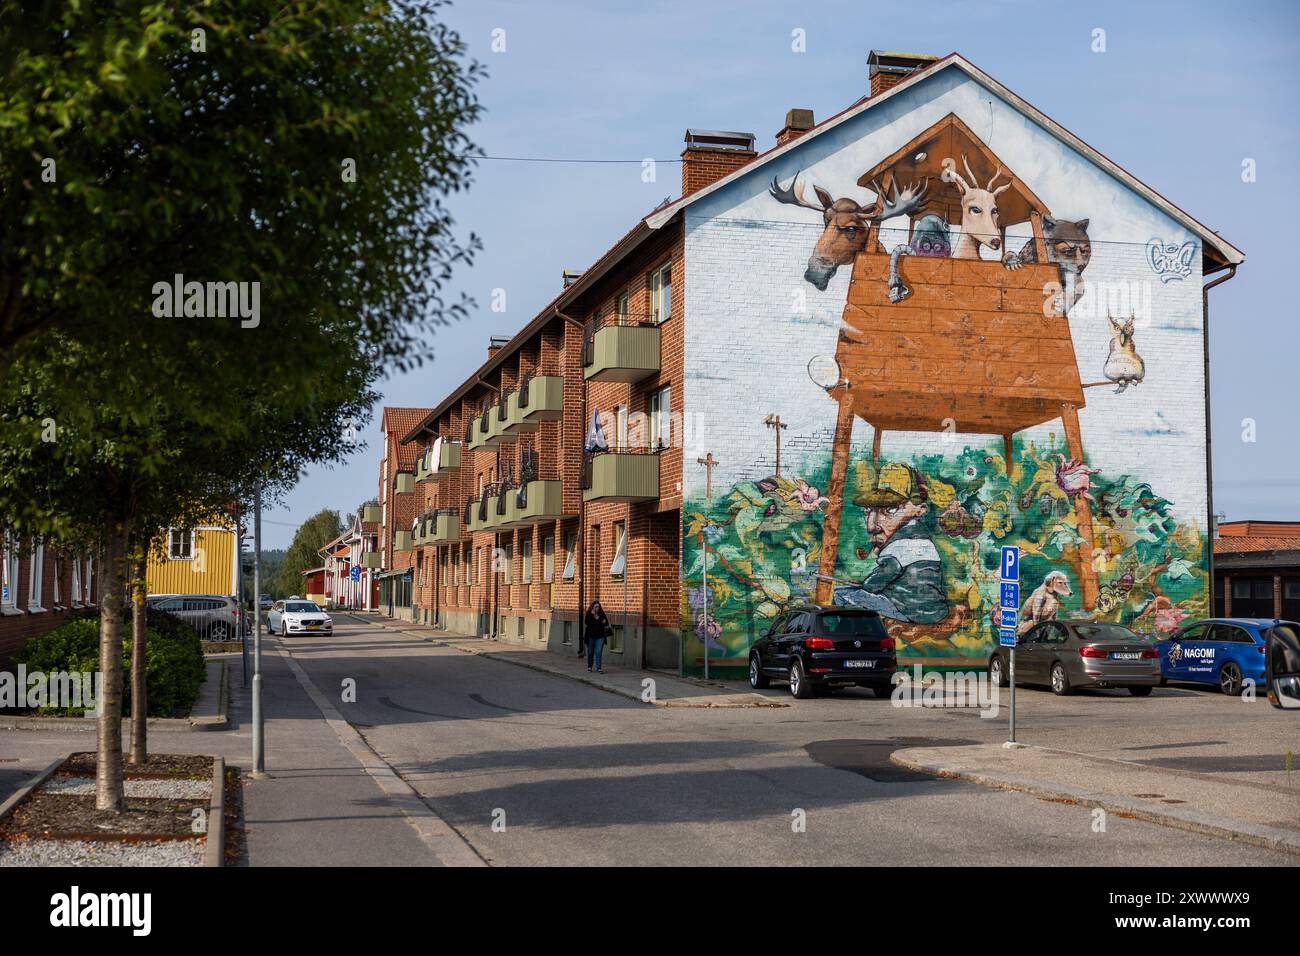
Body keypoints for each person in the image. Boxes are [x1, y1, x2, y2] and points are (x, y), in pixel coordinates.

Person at [833, 462, 949, 625]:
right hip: (934, 611)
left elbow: (880, 580)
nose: (871, 526)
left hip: (907, 610)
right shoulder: (922, 540)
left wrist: (865, 586)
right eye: (868, 511)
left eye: (891, 510)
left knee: (841, 593)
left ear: (919, 510)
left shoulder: (902, 544)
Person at [583, 600, 611, 673]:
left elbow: (606, 623)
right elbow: (586, 622)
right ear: (592, 607)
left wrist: (604, 622)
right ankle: (589, 666)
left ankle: (599, 668)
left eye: (598, 607)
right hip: (590, 636)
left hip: (600, 637)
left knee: (598, 652)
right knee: (590, 652)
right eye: (595, 607)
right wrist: (592, 615)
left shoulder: (602, 614)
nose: (597, 608)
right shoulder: (589, 614)